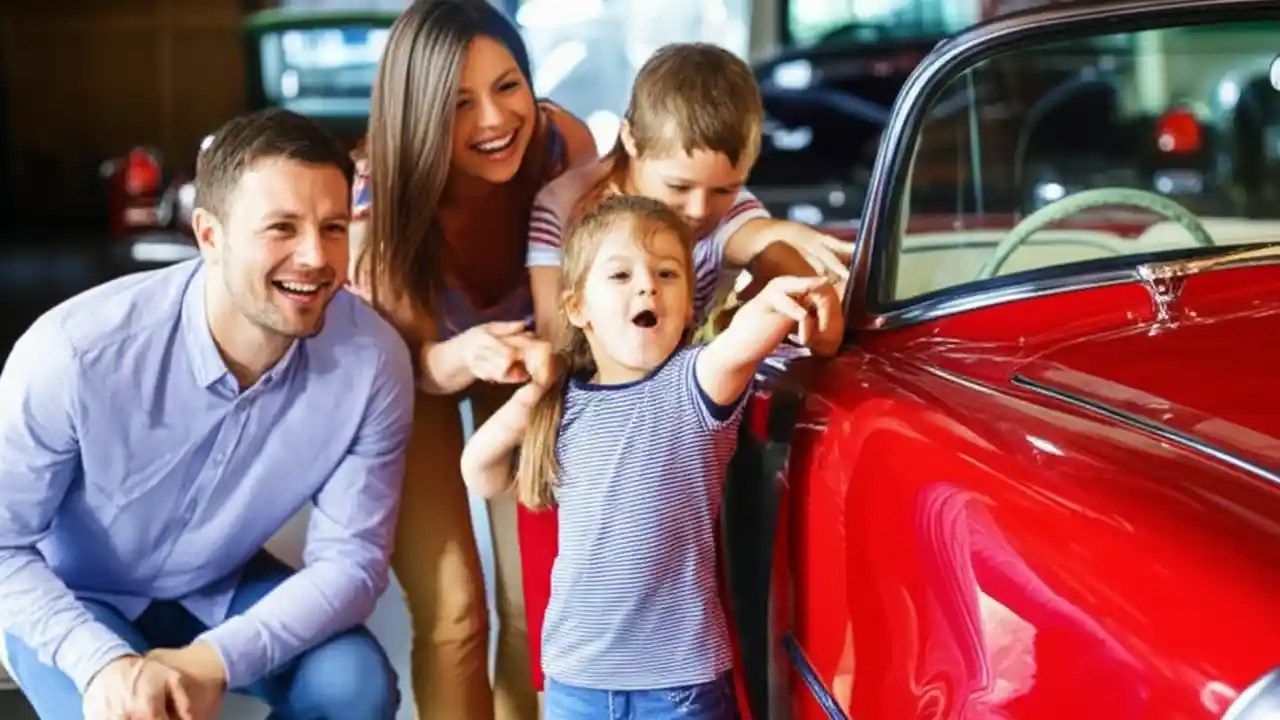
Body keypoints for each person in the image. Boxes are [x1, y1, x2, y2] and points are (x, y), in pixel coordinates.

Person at [0, 107, 415, 720]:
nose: (315, 256)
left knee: (354, 685)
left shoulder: (373, 362)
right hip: (75, 597)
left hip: (223, 587)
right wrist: (99, 662)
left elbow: (351, 564)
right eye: (281, 227)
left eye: (332, 227)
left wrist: (215, 659)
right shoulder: (73, 353)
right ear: (209, 236)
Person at [518, 41, 852, 692]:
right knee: (568, 614)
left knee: (681, 593)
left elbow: (762, 247)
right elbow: (558, 334)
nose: (699, 210)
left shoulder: (730, 212)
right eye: (679, 187)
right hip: (584, 419)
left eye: (724, 188)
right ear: (630, 145)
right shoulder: (567, 205)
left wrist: (796, 265)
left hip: (680, 419)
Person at [461, 195, 838, 719]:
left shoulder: (694, 383)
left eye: (666, 273)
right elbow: (479, 471)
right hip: (577, 683)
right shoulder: (562, 405)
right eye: (620, 276)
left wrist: (784, 299)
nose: (646, 286)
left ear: (687, 307)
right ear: (577, 308)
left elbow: (755, 329)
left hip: (678, 686)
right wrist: (535, 393)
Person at [350, 1, 597, 717]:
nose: (493, 120)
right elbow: (408, 362)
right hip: (411, 372)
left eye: (508, 86)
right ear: (415, 112)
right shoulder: (378, 193)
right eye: (459, 104)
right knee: (456, 607)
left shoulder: (560, 145)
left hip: (525, 362)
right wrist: (457, 355)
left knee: (533, 598)